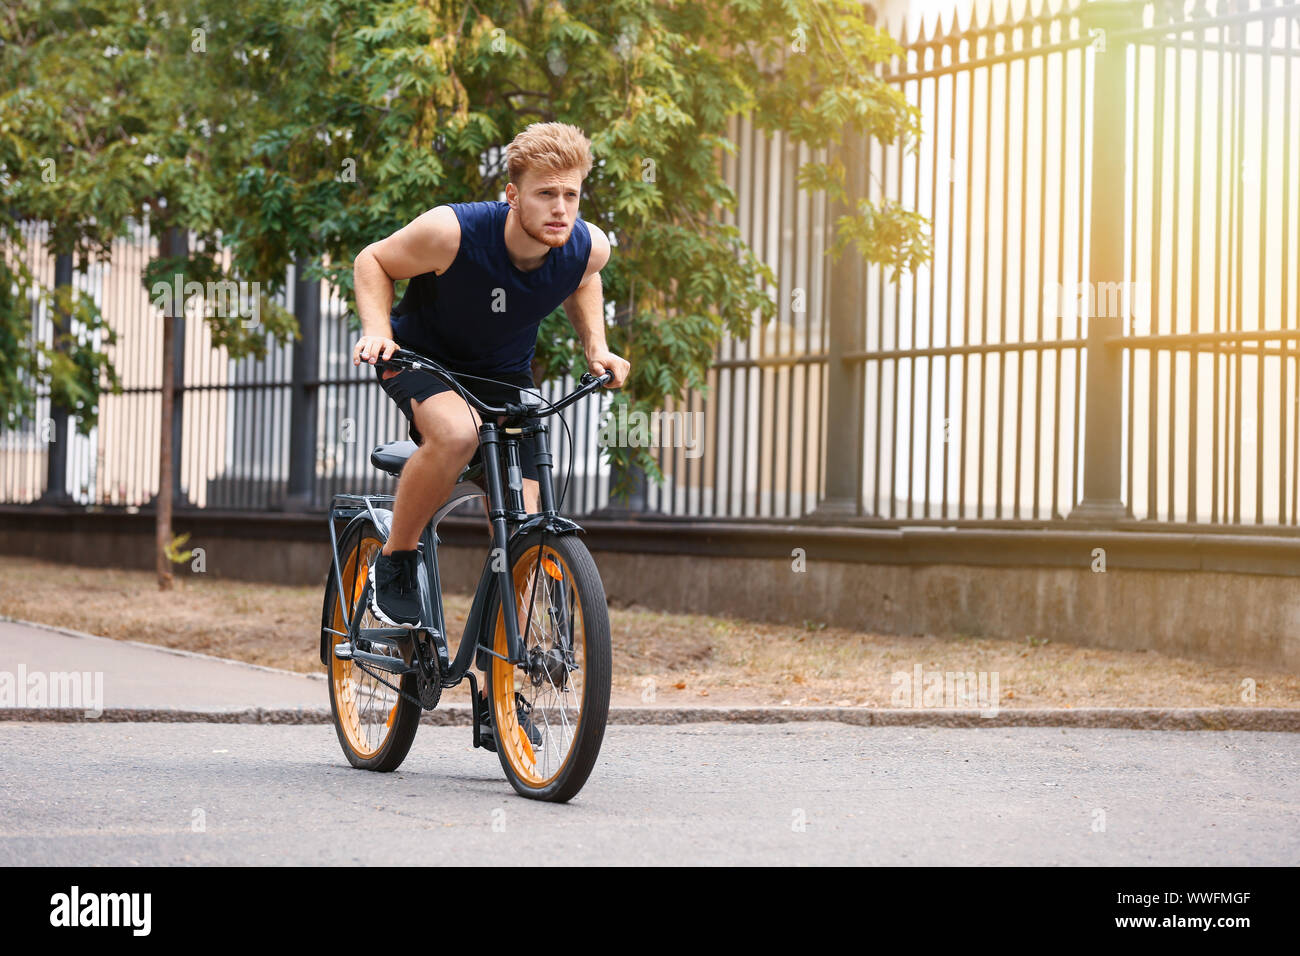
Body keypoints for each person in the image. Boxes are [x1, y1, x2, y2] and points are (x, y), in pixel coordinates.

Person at [350, 121, 630, 751]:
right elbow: (374, 260)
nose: (560, 209)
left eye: (572, 195)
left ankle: (490, 686)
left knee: (527, 534)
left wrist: (597, 346)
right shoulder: (453, 232)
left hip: (502, 377)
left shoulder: (588, 246)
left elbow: (581, 276)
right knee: (456, 436)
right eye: (545, 195)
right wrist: (376, 330)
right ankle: (396, 560)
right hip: (421, 359)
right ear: (512, 193)